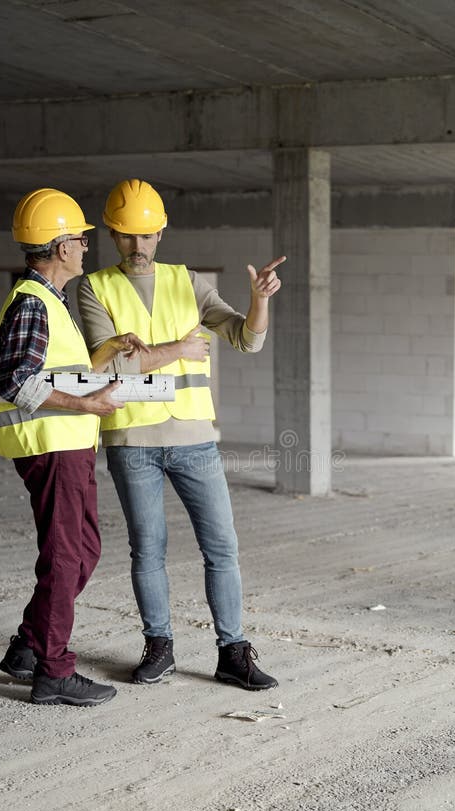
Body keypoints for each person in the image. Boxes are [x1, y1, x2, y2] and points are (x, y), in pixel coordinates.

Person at [78, 178, 286, 691]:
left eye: (146, 235)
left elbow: (245, 339)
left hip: (194, 438)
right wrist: (178, 349)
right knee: (148, 550)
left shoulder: (186, 282)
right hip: (131, 441)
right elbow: (112, 364)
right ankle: (159, 647)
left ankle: (232, 652)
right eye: (127, 235)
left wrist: (259, 301)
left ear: (161, 232)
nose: (138, 245)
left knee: (221, 547)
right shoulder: (94, 287)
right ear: (112, 233)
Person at [0, 187, 145, 706]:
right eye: (80, 239)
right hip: (51, 447)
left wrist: (107, 351)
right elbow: (17, 381)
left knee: (84, 550)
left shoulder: (49, 300)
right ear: (60, 247)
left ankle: (28, 648)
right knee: (63, 556)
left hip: (69, 445)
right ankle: (53, 670)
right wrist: (88, 405)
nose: (85, 247)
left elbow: (58, 372)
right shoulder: (32, 303)